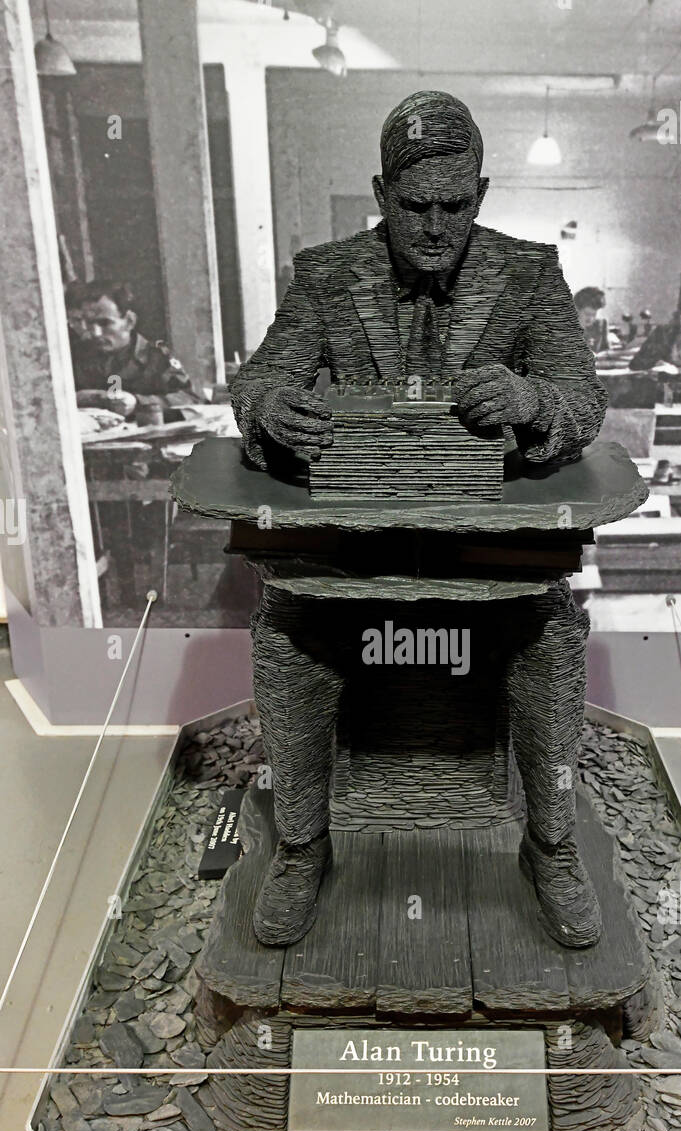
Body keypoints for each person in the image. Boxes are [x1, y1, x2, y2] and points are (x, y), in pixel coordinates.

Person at [231, 89, 607, 951]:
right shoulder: (327, 277)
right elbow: (257, 381)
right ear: (378, 192)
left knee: (551, 635)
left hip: (487, 544)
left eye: (455, 205)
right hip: (351, 541)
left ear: (482, 192)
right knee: (287, 632)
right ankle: (301, 843)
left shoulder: (527, 273)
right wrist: (272, 410)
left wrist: (529, 398)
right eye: (412, 207)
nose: (434, 228)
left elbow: (584, 401)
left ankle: (549, 844)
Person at [71, 279, 202, 419]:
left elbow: (192, 399)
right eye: (89, 323)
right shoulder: (75, 356)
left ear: (129, 321)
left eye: (105, 323)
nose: (95, 333)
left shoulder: (155, 356)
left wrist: (137, 402)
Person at [573, 285, 616, 353]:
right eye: (587, 314)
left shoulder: (600, 326)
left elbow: (606, 352)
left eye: (594, 314)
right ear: (576, 310)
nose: (591, 318)